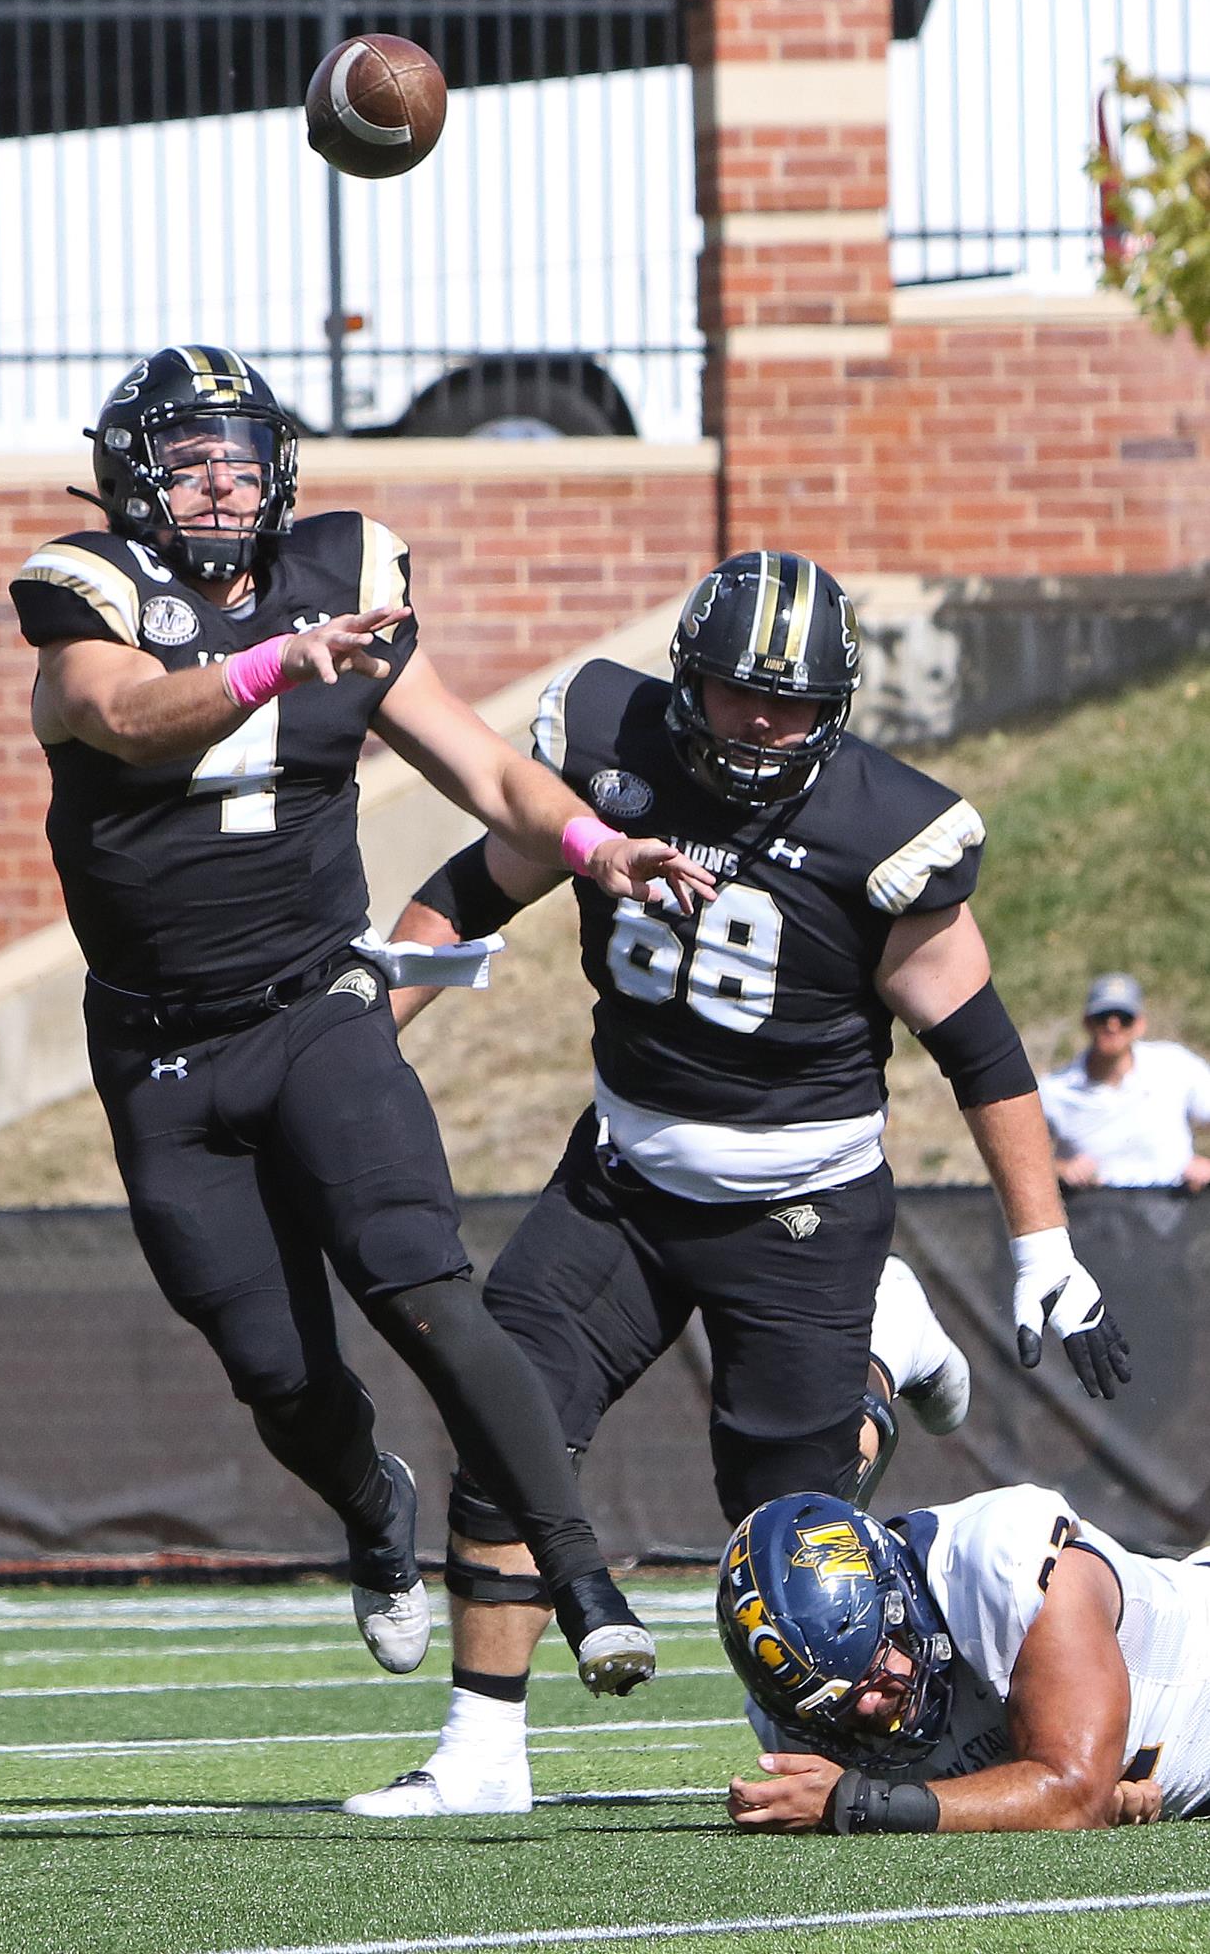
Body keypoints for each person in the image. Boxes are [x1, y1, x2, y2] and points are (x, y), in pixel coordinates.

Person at [342, 547, 1128, 1817]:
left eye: (791, 701)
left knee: (783, 1525)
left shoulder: (881, 826)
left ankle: (884, 1351)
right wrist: (354, 1039)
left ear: (837, 704)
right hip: (625, 1175)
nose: (761, 721)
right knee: (507, 1421)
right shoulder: (610, 746)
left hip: (801, 1206)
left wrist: (1044, 1245)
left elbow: (979, 1049)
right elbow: (477, 887)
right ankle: (482, 1746)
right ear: (683, 675)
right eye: (737, 691)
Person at [9, 342, 720, 1694]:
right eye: (188, 463)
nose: (220, 487)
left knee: (424, 1285)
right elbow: (129, 716)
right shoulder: (87, 604)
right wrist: (275, 663)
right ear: (133, 481)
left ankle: (583, 1580)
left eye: (238, 462)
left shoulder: (342, 578)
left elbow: (487, 773)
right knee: (278, 1373)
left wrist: (594, 846)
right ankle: (368, 1502)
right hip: (163, 1053)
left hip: (319, 1005)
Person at [718, 1483, 1210, 1831]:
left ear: (901, 1601)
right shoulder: (790, 1720)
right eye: (837, 1704)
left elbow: (1074, 1794)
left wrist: (861, 1803)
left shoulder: (1004, 1566)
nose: (867, 1706)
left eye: (872, 1669)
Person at [1040, 973, 1210, 1193]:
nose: (1112, 1026)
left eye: (1124, 1018)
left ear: (1140, 1024)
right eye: (1103, 1017)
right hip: (1094, 1206)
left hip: (1175, 1204)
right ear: (1087, 1022)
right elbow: (1019, 1158)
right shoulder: (1055, 1090)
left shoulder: (1176, 1066)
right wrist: (1061, 1169)